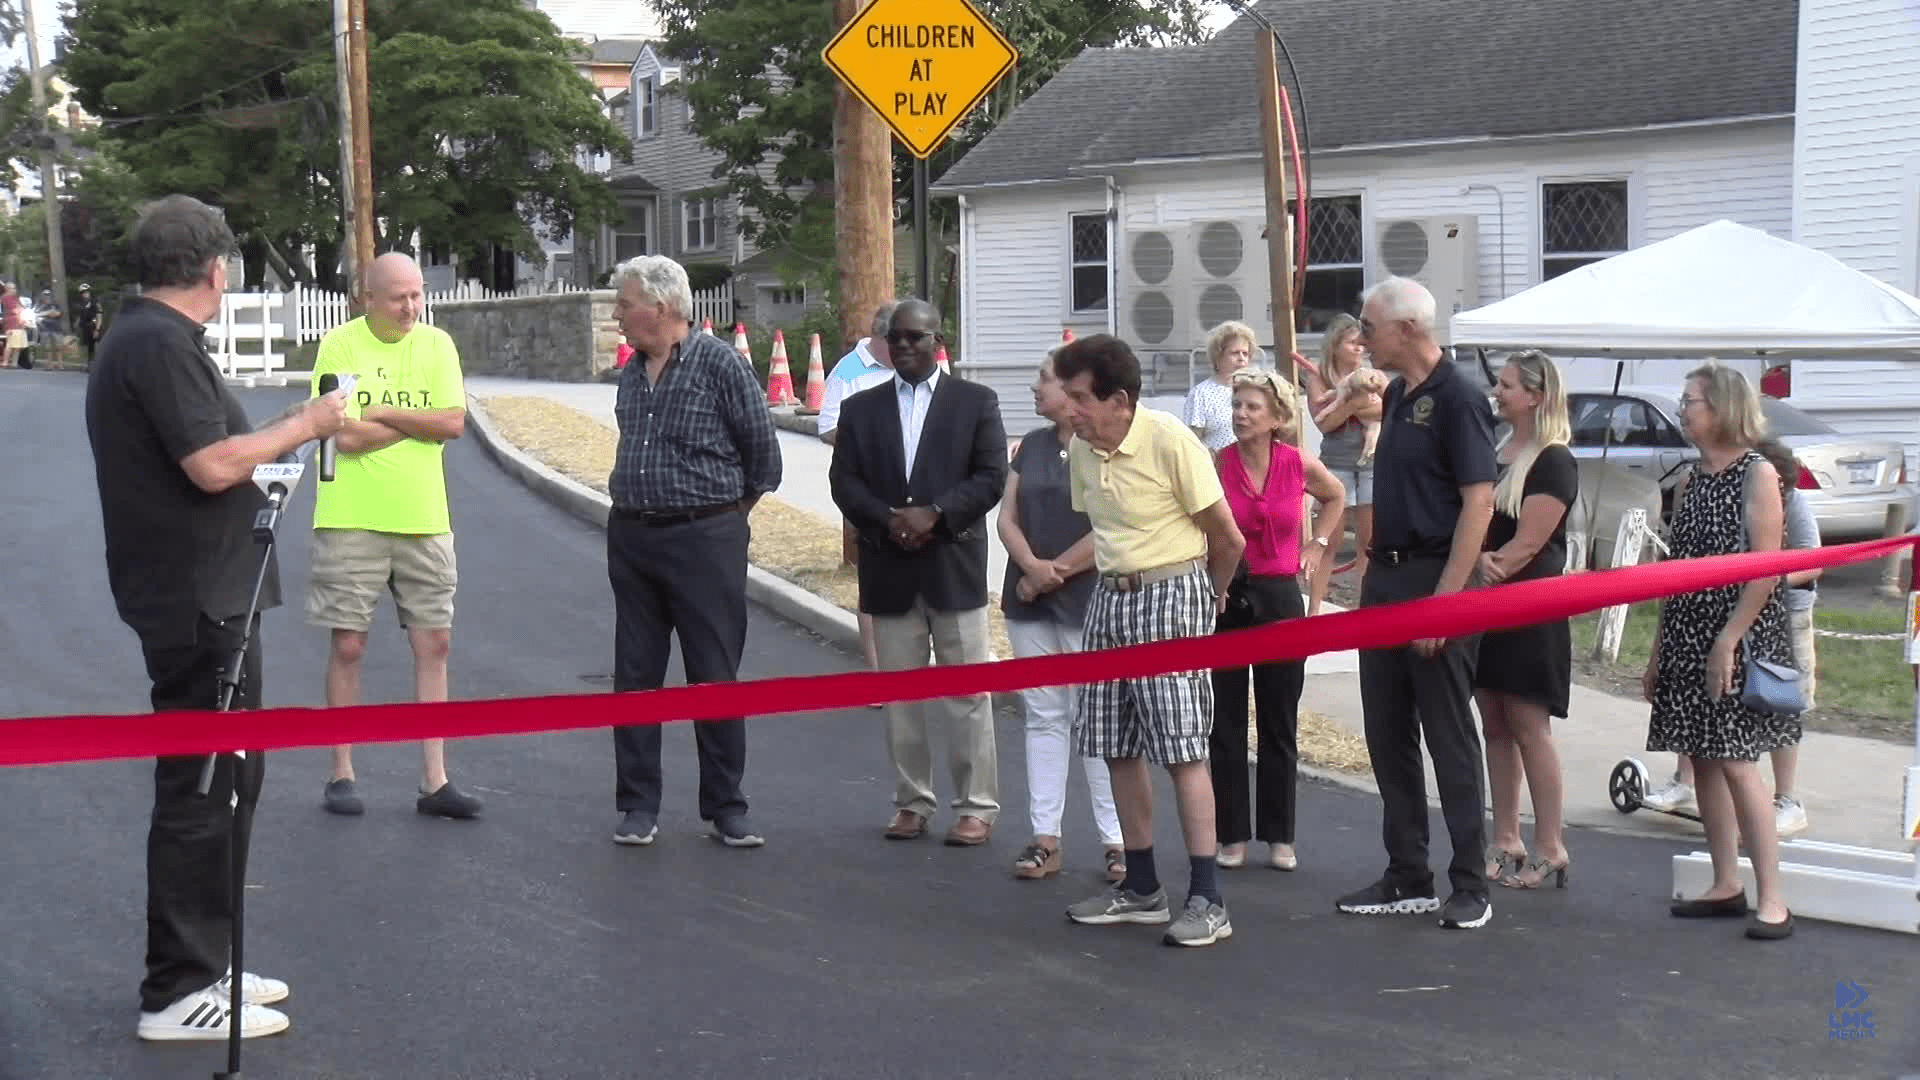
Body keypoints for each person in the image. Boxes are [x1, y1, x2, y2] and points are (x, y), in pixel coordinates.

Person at [85, 194, 348, 1040]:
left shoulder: (147, 340)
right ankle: (178, 987)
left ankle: (211, 962)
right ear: (216, 269)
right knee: (205, 785)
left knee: (229, 780)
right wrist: (307, 422)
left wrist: (261, 462)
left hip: (202, 589)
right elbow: (208, 464)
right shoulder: (158, 345)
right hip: (197, 600)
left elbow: (212, 463)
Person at [1055, 334, 1247, 949]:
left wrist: (1208, 599)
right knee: (1114, 742)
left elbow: (1228, 538)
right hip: (1111, 597)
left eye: (1081, 398)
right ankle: (1140, 888)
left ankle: (1207, 897)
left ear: (1118, 398)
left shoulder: (1170, 439)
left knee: (1183, 746)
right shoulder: (1083, 453)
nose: (1071, 409)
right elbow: (1104, 532)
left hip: (1174, 593)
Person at [1335, 277, 1499, 931]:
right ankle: (1408, 871)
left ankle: (1470, 882)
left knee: (1448, 734)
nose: (1362, 339)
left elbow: (1479, 502)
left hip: (1438, 579)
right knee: (1386, 730)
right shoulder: (1398, 394)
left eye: (1369, 328)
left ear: (1407, 329)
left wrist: (1445, 602)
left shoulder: (1458, 396)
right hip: (1387, 579)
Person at [606, 254, 782, 848]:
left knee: (713, 672)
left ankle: (726, 806)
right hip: (632, 537)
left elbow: (764, 458)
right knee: (634, 674)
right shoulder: (632, 371)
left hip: (705, 537)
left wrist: (724, 522)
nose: (616, 315)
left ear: (660, 307)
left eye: (624, 304)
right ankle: (637, 805)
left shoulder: (721, 364)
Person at [309, 252, 483, 820]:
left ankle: (435, 780)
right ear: (368, 299)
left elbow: (453, 423)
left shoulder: (436, 346)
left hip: (424, 517)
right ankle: (342, 772)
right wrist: (415, 421)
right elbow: (344, 437)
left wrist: (381, 411)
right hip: (350, 514)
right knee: (348, 643)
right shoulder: (339, 346)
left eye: (416, 295)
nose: (411, 307)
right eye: (397, 298)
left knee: (434, 645)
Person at [828, 299, 1008, 846]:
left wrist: (937, 515)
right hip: (890, 567)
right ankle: (911, 802)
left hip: (952, 564)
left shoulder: (975, 402)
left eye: (916, 338)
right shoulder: (861, 409)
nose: (905, 346)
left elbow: (991, 475)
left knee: (967, 695)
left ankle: (975, 807)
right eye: (896, 338)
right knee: (902, 694)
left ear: (937, 340)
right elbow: (845, 482)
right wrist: (888, 520)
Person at [1643, 363, 1797, 940]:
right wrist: (1660, 650)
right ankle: (1726, 881)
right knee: (1701, 755)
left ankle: (1773, 897)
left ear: (1723, 408)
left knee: (1736, 761)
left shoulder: (1757, 475)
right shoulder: (1690, 481)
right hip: (1688, 631)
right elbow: (1676, 575)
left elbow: (1766, 568)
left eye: (1691, 401)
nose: (1683, 409)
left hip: (1738, 634)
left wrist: (1728, 640)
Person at [1643, 436, 1820, 841]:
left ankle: (1786, 798)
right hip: (1719, 615)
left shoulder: (1784, 496)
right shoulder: (1701, 483)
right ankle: (1684, 779)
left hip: (1782, 614)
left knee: (1777, 703)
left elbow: (1810, 560)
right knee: (1705, 730)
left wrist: (1768, 583)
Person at [1209, 368, 1344, 873]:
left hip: (1280, 595)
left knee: (1278, 719)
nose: (1241, 414)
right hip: (1229, 596)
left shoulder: (1296, 462)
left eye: (1252, 407)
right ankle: (1231, 836)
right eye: (1237, 405)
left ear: (1277, 419)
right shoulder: (1217, 463)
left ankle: (1280, 835)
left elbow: (1336, 497)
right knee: (1224, 721)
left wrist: (1318, 544)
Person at [998, 347, 1123, 881]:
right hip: (1029, 601)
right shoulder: (1030, 447)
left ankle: (1117, 841)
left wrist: (1057, 572)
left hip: (1086, 600)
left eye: (1045, 380)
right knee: (1045, 717)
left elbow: (1114, 525)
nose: (1035, 388)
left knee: (1095, 722)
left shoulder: (1103, 451)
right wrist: (1030, 566)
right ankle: (1044, 838)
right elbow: (1007, 516)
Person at [1473, 351, 1579, 889]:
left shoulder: (1553, 458)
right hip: (1488, 607)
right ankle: (1506, 836)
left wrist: (1488, 567)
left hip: (1528, 610)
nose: (1497, 390)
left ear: (1535, 397)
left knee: (1529, 727)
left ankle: (1550, 843)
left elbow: (1531, 541)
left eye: (1507, 384)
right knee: (1494, 723)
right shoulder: (1497, 449)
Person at [818, 302, 900, 686]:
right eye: (899, 340)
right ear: (881, 337)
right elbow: (827, 425)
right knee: (873, 581)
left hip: (918, 489)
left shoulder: (917, 363)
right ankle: (879, 674)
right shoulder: (851, 368)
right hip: (869, 490)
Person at [1305, 314, 1384, 613]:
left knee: (1368, 543)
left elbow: (1386, 408)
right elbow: (1325, 424)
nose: (1360, 348)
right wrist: (1355, 403)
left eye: (1362, 343)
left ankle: (1364, 608)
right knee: (1327, 541)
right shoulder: (1319, 379)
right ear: (1335, 345)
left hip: (1371, 463)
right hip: (1335, 464)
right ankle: (1314, 609)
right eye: (1352, 343)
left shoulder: (1372, 373)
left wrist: (1350, 407)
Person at [1183, 320, 1258, 453]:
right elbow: (1191, 442)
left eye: (1245, 354)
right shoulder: (1200, 394)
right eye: (1235, 353)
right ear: (1218, 357)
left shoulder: (1258, 391)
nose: (1242, 359)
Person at [75, 282, 104, 364]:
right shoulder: (82, 303)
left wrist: (97, 329)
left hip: (94, 325)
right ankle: (88, 363)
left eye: (86, 292)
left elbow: (99, 315)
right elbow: (81, 315)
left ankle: (97, 364)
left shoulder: (95, 302)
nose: (85, 294)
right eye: (83, 292)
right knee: (87, 347)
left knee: (96, 347)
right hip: (85, 327)